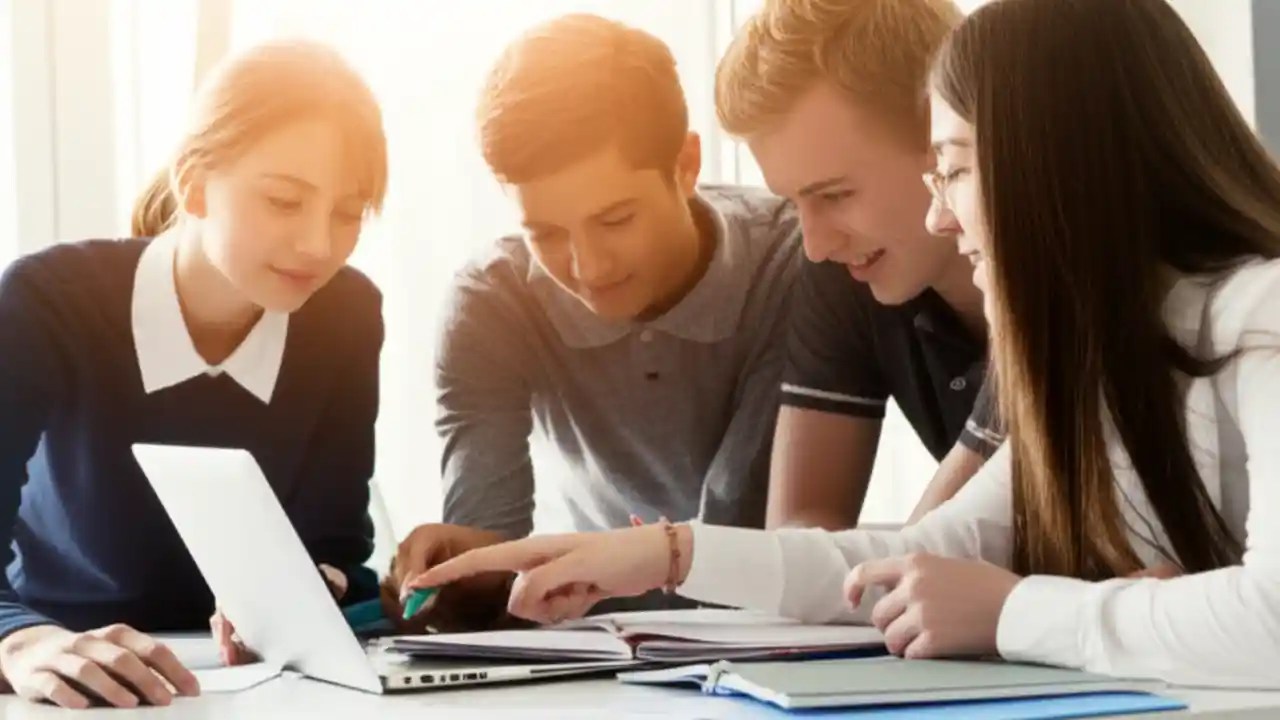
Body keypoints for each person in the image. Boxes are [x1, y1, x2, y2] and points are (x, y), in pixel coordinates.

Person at [412, 0, 1280, 688]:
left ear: (1061, 161)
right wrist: (659, 552)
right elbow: (923, 558)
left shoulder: (1262, 311)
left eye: (958, 168)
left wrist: (1021, 611)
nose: (943, 212)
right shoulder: (1104, 351)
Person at [0, 40, 388, 708]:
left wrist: (315, 590)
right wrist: (20, 641)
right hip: (71, 675)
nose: (319, 245)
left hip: (251, 688)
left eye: (348, 212)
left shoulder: (345, 314)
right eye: (285, 201)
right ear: (194, 181)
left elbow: (340, 550)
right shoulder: (48, 300)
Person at [389, 14, 800, 627]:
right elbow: (494, 554)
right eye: (545, 233)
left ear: (686, 165)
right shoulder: (492, 301)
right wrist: (456, 571)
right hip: (586, 638)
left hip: (757, 627)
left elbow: (742, 542)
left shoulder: (792, 262)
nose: (587, 267)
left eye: (615, 220)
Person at [717, 0, 1003, 530]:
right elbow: (802, 530)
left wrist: (675, 556)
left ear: (942, 134)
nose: (815, 245)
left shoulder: (1078, 269)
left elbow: (924, 555)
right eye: (793, 204)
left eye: (835, 194)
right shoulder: (848, 268)